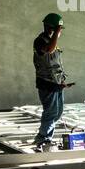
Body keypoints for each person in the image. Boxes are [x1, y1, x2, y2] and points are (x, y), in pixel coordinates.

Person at [32, 13, 73, 152]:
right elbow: (49, 49)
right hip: (46, 84)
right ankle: (43, 139)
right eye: (59, 30)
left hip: (56, 84)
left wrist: (62, 81)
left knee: (57, 112)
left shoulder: (51, 41)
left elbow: (54, 63)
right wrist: (56, 32)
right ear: (51, 28)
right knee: (50, 112)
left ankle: (45, 137)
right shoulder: (40, 41)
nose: (60, 33)